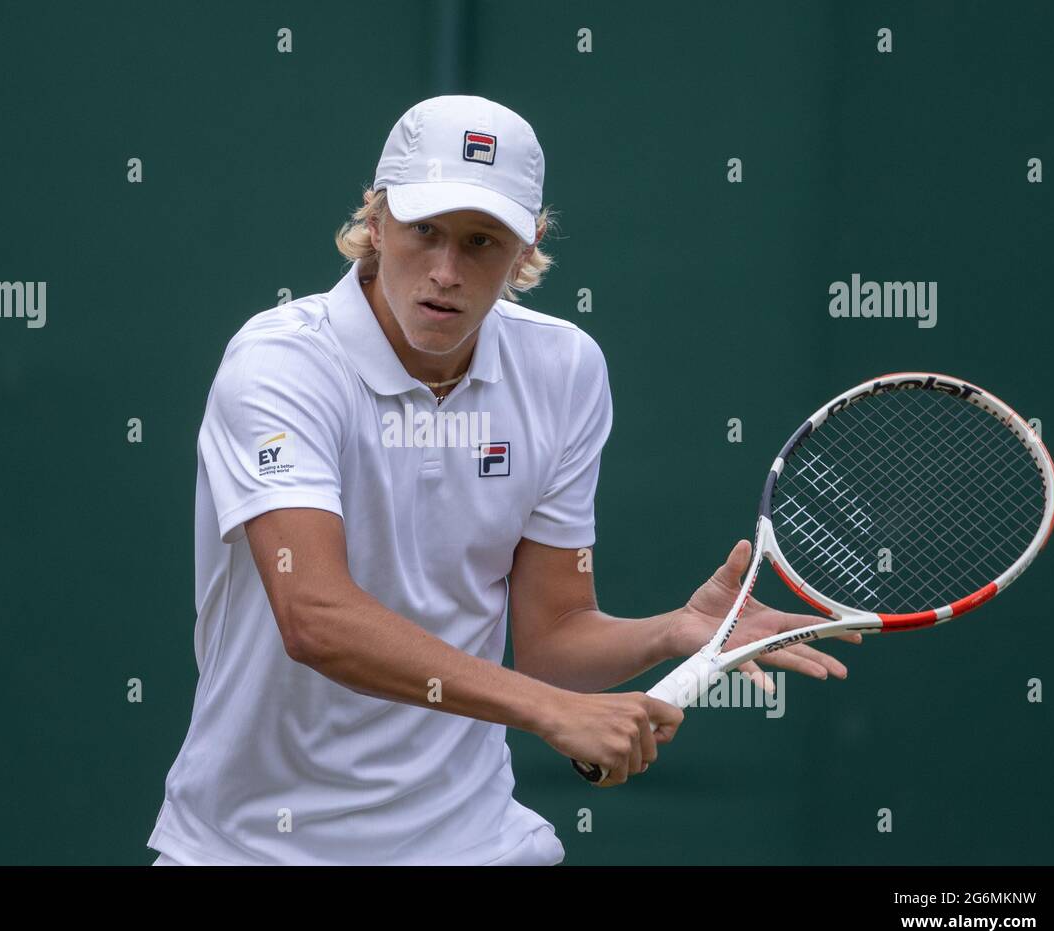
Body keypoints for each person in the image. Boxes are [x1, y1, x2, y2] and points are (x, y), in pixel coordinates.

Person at [147, 95, 855, 866]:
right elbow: (315, 615)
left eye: (483, 242)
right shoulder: (280, 365)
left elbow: (553, 641)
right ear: (375, 221)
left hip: (473, 844)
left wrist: (675, 631)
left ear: (527, 248)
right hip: (254, 848)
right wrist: (550, 713)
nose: (446, 273)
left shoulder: (564, 369)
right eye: (426, 232)